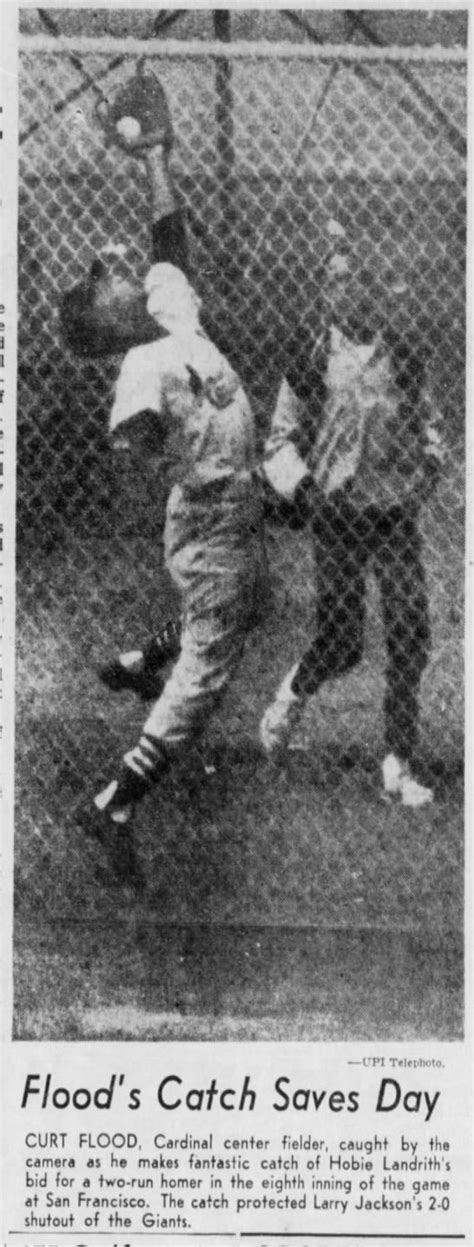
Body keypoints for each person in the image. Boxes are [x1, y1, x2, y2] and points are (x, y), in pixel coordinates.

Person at [259, 246, 445, 807]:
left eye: (355, 278)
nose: (346, 290)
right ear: (325, 289)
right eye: (334, 280)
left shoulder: (403, 352)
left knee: (410, 634)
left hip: (390, 515)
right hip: (337, 515)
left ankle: (398, 763)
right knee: (342, 643)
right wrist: (308, 490)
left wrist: (426, 474)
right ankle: (289, 698)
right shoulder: (313, 354)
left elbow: (432, 428)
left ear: (372, 285)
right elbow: (278, 441)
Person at [90, 262, 261, 830]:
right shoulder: (141, 362)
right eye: (104, 286)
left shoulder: (168, 310)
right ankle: (114, 801)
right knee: (204, 673)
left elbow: (170, 247)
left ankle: (139, 661)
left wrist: (159, 166)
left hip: (228, 507)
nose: (119, 276)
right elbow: (137, 438)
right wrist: (188, 460)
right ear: (106, 321)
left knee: (233, 613)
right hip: (210, 511)